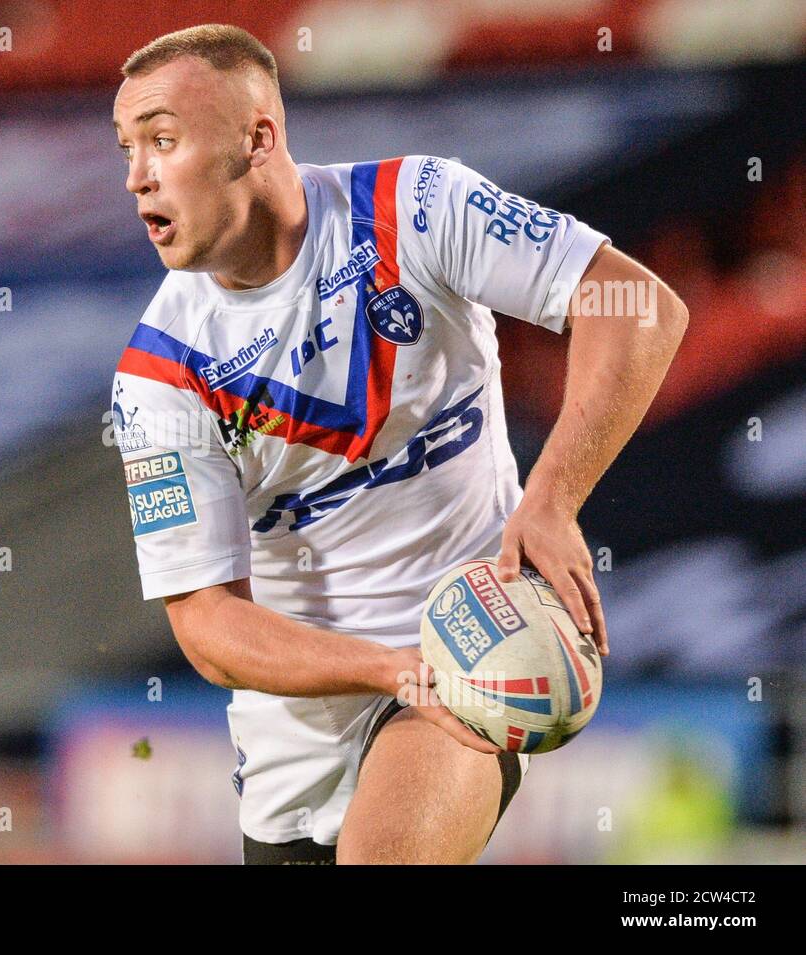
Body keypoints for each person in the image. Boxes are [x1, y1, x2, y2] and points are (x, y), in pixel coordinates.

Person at [109, 24, 688, 864]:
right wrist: (386, 666)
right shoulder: (161, 375)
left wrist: (554, 497)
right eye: (128, 148)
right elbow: (206, 625)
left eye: (162, 139)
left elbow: (635, 306)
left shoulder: (417, 208)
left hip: (466, 663)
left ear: (257, 136)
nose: (136, 177)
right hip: (299, 755)